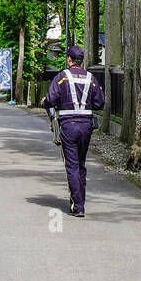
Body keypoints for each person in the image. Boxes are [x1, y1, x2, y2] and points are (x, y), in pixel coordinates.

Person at [43, 46, 105, 217]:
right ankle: (80, 202)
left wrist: (47, 102)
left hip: (68, 125)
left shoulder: (62, 77)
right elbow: (100, 103)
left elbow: (51, 99)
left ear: (69, 60)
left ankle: (77, 207)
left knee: (71, 165)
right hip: (86, 126)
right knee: (81, 164)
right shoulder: (91, 78)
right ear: (81, 61)